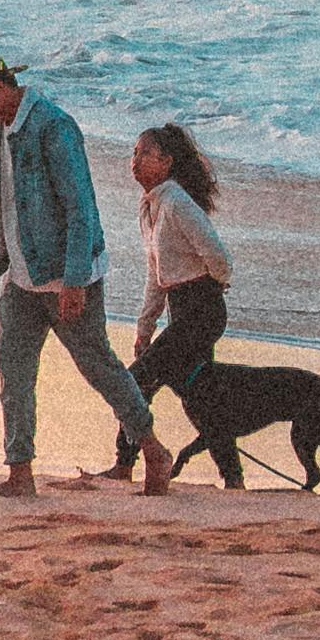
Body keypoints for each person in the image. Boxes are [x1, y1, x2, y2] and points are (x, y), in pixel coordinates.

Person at [0, 48, 170, 495]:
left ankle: (152, 448)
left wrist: (73, 281)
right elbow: (7, 202)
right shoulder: (0, 129)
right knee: (13, 371)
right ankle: (20, 473)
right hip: (21, 276)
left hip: (68, 275)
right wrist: (5, 261)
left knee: (99, 367)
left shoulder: (54, 126)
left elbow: (80, 207)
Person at [111, 121, 233, 479]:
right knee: (201, 398)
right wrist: (144, 327)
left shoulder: (177, 201)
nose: (135, 160)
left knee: (135, 381)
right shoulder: (149, 205)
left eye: (145, 154)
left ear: (166, 162)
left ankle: (124, 464)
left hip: (202, 311)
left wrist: (215, 284)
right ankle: (233, 478)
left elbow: (219, 257)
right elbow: (156, 274)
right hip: (180, 310)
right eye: (134, 153)